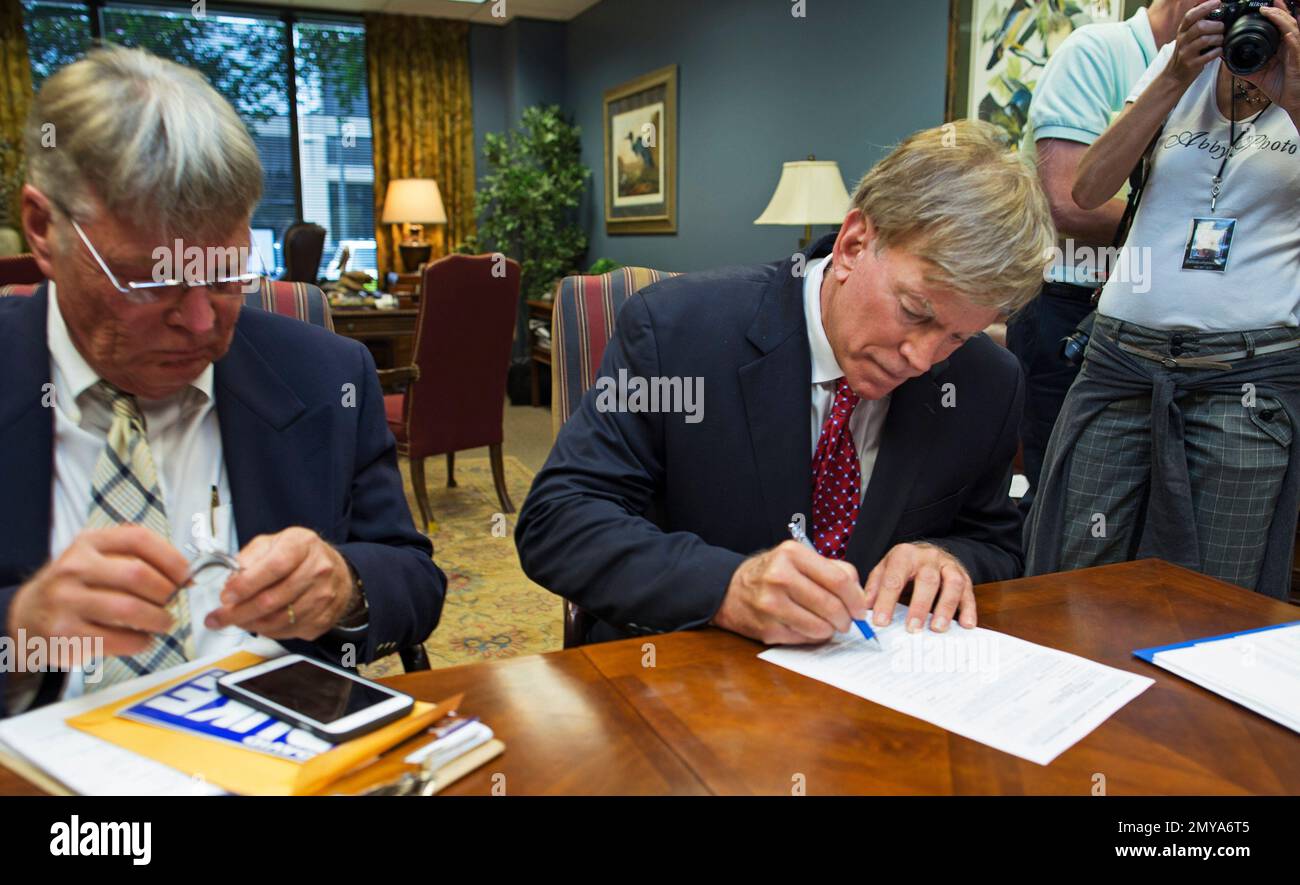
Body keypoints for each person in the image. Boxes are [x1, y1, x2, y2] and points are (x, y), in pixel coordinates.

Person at [0, 45, 445, 715]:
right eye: (153, 279)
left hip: (278, 756)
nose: (204, 320)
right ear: (43, 229)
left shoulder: (325, 375)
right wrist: (20, 629)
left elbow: (413, 576)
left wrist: (345, 584)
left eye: (226, 272)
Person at [516, 120, 1055, 646]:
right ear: (853, 244)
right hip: (685, 668)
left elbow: (997, 543)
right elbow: (558, 520)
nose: (922, 358)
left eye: (958, 336)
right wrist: (725, 587)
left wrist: (949, 558)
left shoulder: (987, 381)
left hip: (876, 693)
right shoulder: (678, 332)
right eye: (915, 312)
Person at [1025, 0, 1300, 598]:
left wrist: (1294, 93)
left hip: (1243, 380)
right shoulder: (1182, 67)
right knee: (1075, 569)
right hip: (1120, 362)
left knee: (1214, 593)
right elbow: (1089, 188)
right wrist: (1174, 74)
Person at [1011, 0, 1197, 509]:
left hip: (1167, 325)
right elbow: (1067, 204)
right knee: (1067, 501)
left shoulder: (1236, 78)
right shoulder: (1099, 51)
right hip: (1072, 309)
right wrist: (1192, 237)